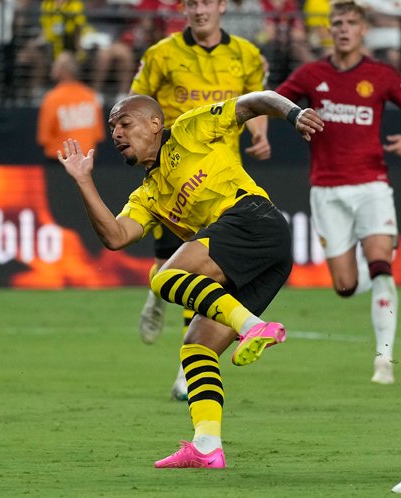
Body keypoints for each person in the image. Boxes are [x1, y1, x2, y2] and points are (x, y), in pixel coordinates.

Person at [58, 91, 322, 468]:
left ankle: (252, 327)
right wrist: (83, 181)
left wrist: (293, 113)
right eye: (113, 126)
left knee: (165, 280)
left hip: (252, 218)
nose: (116, 133)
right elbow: (115, 237)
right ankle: (207, 446)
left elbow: (255, 101)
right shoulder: (148, 195)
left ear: (154, 124)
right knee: (196, 346)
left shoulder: (188, 130)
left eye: (124, 123)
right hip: (260, 257)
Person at [128, 0, 270, 401]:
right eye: (190, 2)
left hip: (219, 184)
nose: (199, 9)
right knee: (172, 269)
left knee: (202, 276)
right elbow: (133, 104)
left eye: (206, 1)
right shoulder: (161, 54)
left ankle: (184, 371)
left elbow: (254, 101)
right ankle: (155, 295)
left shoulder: (246, 54)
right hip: (171, 178)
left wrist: (261, 134)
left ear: (223, 5)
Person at [275, 0, 401, 385]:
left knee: (382, 268)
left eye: (351, 22)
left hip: (372, 185)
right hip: (327, 190)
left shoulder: (382, 74)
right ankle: (374, 260)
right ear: (329, 29)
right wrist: (294, 120)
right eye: (337, 22)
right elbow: (277, 103)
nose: (343, 29)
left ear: (363, 30)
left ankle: (383, 361)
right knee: (345, 286)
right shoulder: (311, 73)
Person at [37, 51, 104, 161]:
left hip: (59, 161)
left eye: (56, 65)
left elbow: (44, 138)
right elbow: (98, 135)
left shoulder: (52, 98)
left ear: (64, 71)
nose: (52, 67)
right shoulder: (91, 96)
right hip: (87, 160)